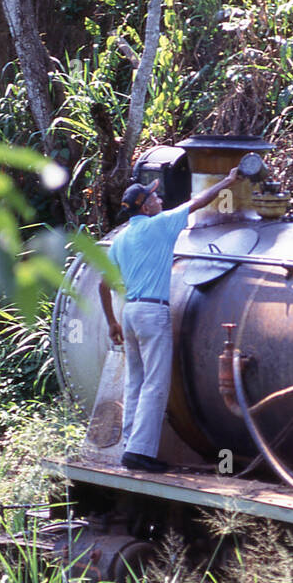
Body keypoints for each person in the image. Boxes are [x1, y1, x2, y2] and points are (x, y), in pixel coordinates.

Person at [99, 166, 242, 471]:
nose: (160, 198)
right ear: (145, 206)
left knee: (135, 381)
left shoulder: (121, 239)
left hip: (130, 313)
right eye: (154, 196)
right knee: (155, 383)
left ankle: (129, 445)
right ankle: (141, 453)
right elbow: (199, 201)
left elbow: (102, 283)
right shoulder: (161, 225)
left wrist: (111, 321)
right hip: (152, 312)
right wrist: (228, 181)